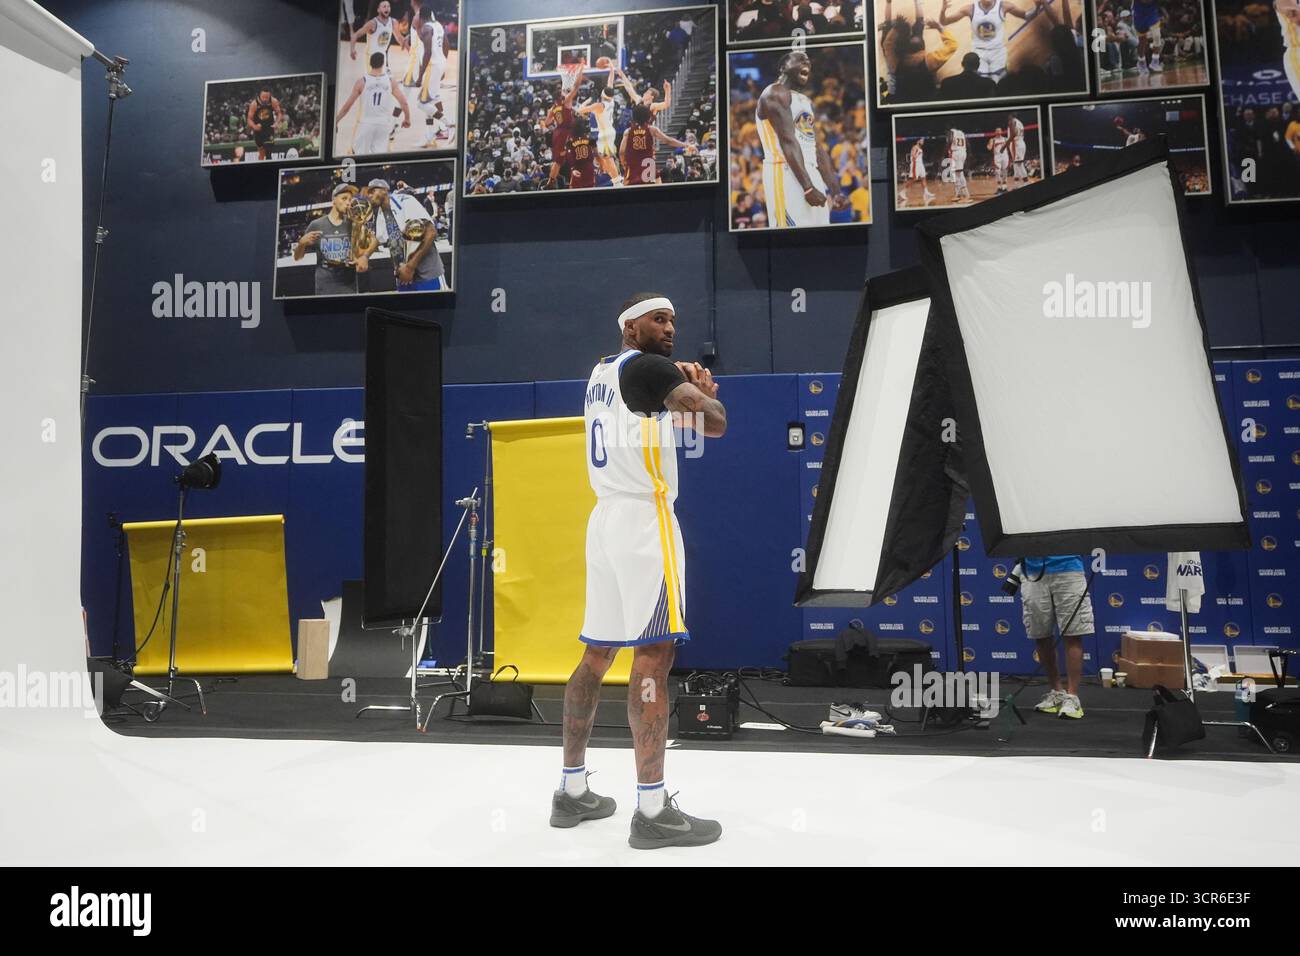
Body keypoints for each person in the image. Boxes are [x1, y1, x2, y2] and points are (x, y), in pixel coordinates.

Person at [552, 293, 727, 850]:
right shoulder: (649, 367)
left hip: (603, 523)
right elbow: (716, 424)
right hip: (645, 522)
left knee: (596, 655)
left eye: (673, 318)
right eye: (659, 319)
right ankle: (651, 809)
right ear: (631, 327)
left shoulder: (599, 373)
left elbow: (657, 415)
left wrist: (683, 395)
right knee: (654, 655)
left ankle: (571, 790)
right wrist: (703, 394)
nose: (670, 327)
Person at [1021, 556, 1095, 720]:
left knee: (1072, 635)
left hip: (1068, 570)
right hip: (1032, 573)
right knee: (1040, 635)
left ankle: (1072, 697)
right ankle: (1057, 692)